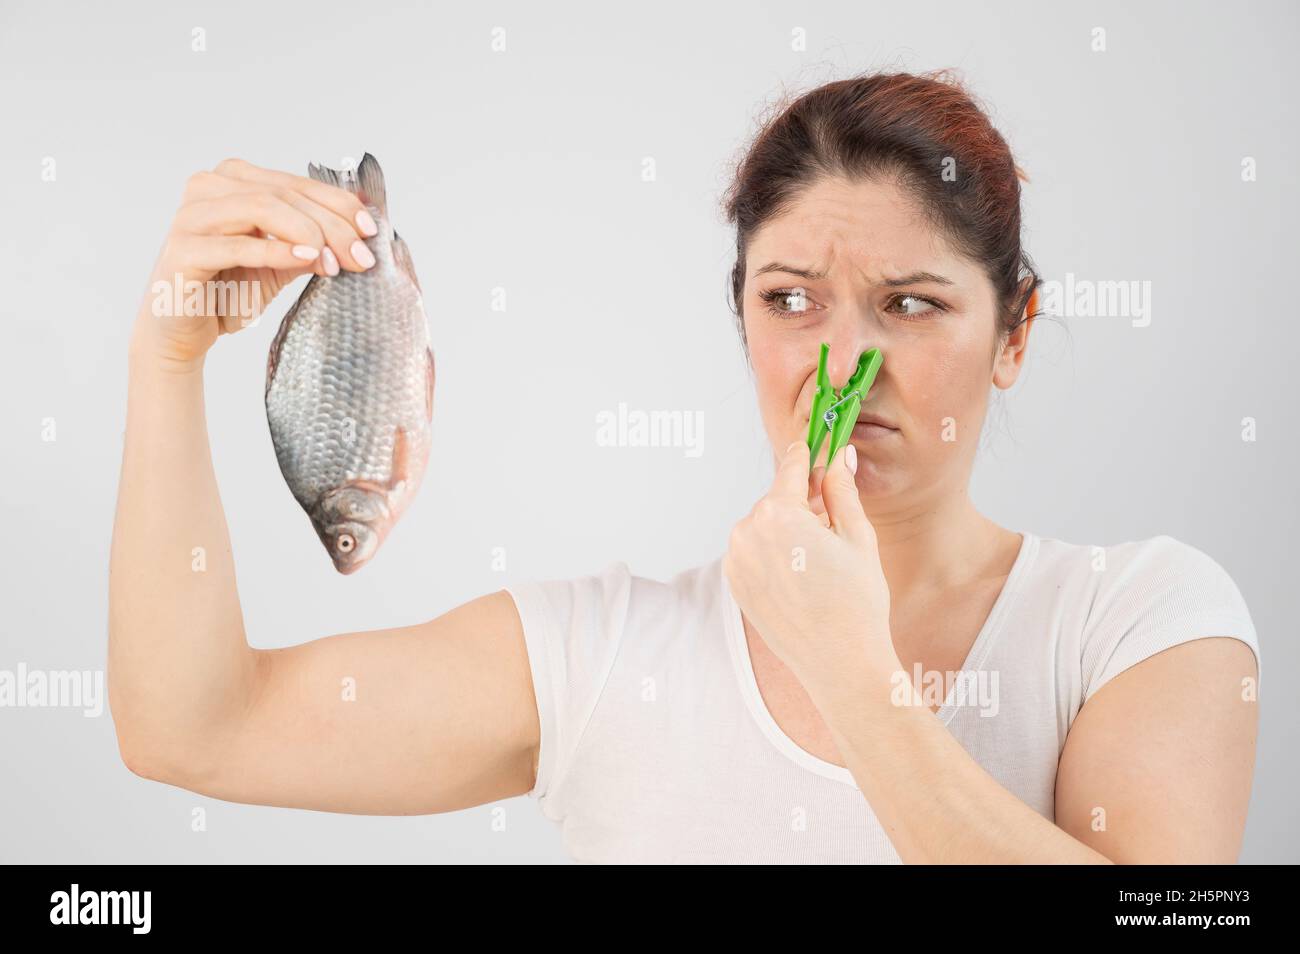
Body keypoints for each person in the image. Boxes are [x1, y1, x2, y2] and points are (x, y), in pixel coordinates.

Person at [109, 70, 1261, 864]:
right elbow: (193, 729)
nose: (840, 361)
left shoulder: (1138, 620)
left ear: (1014, 334)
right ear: (740, 318)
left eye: (910, 304)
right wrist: (167, 358)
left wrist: (851, 677)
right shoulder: (602, 652)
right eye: (789, 300)